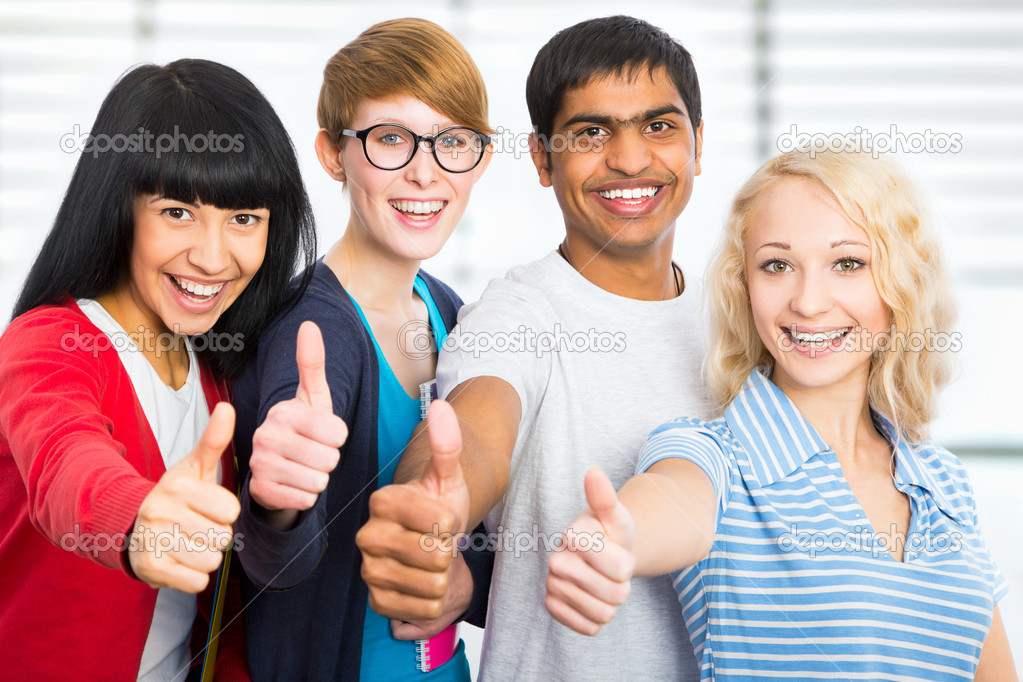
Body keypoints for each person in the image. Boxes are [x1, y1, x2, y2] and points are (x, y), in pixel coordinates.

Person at [546, 150, 1018, 680]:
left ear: (900, 283)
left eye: (847, 263)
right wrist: (615, 540)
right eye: (777, 265)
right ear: (745, 289)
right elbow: (673, 504)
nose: (809, 302)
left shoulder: (943, 480)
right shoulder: (714, 454)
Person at [355, 15, 713, 680]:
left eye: (658, 126)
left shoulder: (744, 325)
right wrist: (437, 503)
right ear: (543, 160)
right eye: (590, 132)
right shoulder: (515, 317)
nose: (630, 160)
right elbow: (480, 429)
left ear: (698, 146)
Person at [0, 59, 317, 681]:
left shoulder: (218, 368)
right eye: (177, 212)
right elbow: (66, 461)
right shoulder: (49, 344)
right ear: (121, 207)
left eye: (244, 219)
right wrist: (135, 521)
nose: (211, 257)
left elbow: (214, 606)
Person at [229, 18, 493, 681]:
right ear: (331, 153)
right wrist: (276, 505)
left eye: (451, 142)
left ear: (481, 158)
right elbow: (277, 566)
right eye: (391, 141)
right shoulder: (311, 331)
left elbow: (478, 540)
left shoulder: (446, 310)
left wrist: (468, 581)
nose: (425, 174)